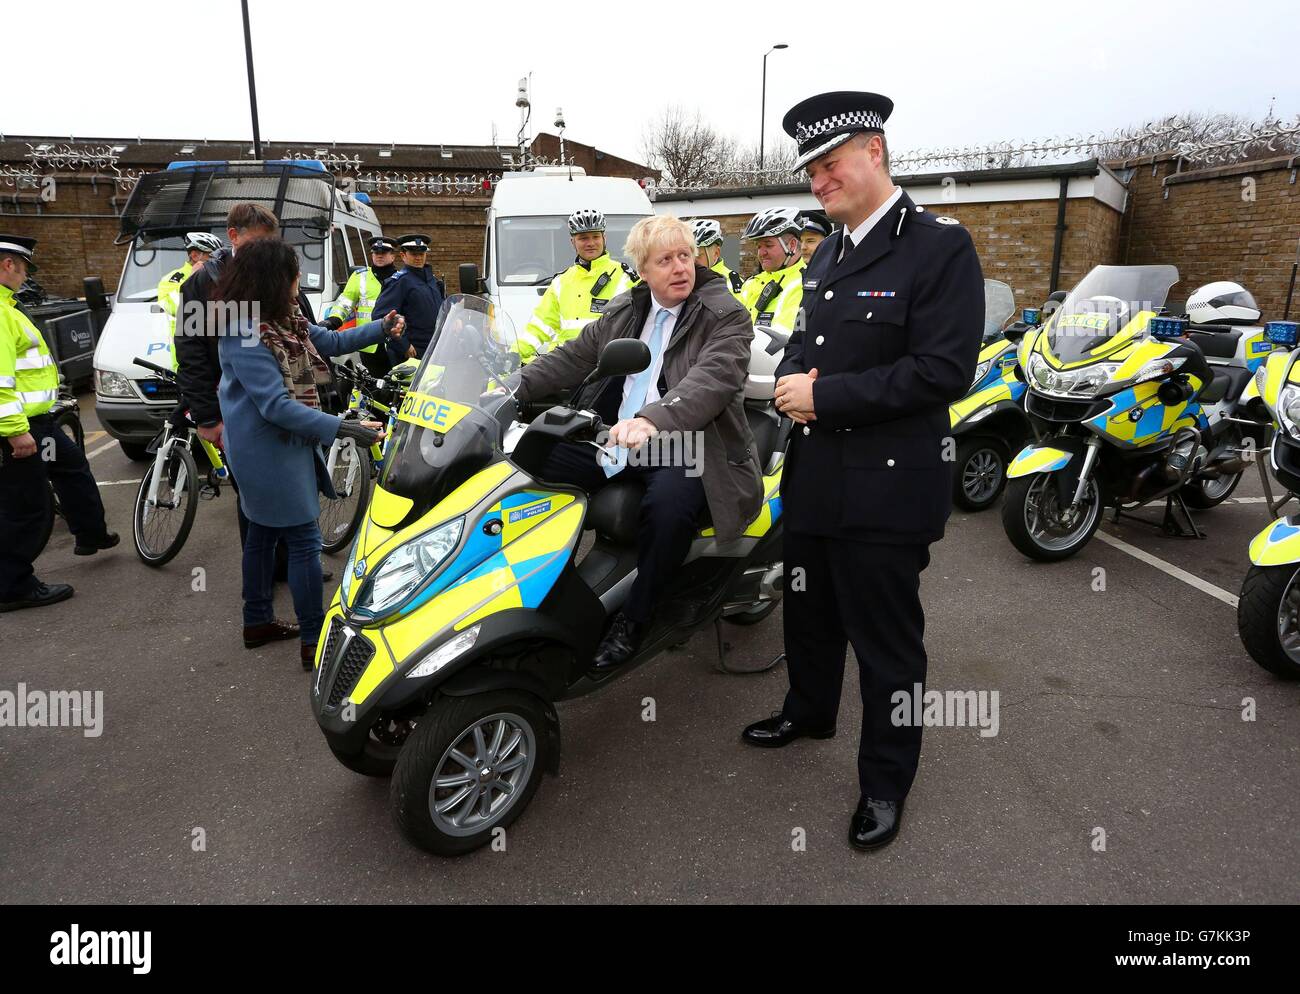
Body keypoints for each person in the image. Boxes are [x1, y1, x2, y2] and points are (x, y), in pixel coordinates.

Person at [741, 91, 984, 851]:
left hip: (887, 488)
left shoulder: (940, 247)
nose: (818, 181)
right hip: (816, 479)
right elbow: (802, 344)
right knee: (808, 615)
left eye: (830, 163)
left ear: (874, 152)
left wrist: (824, 394)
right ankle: (809, 711)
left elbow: (944, 371)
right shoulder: (830, 255)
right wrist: (787, 377)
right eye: (810, 170)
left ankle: (885, 782)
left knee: (886, 646)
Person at [513, 215, 761, 669]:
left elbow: (716, 378)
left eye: (685, 256)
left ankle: (637, 617)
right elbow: (573, 357)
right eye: (665, 260)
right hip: (616, 437)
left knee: (668, 509)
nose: (680, 267)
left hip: (687, 444)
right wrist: (510, 388)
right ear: (643, 270)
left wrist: (653, 418)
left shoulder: (725, 313)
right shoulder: (627, 308)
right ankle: (529, 592)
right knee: (527, 463)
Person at [214, 238, 405, 666]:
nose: (298, 284)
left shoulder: (282, 319)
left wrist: (379, 327)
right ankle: (314, 641)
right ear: (271, 280)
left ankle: (257, 621)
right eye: (293, 276)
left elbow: (328, 342)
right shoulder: (245, 333)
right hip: (266, 452)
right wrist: (343, 427)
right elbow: (276, 407)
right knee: (303, 540)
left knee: (261, 536)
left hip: (277, 445)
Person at [0, 234, 118, 612]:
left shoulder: (9, 307)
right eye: (23, 268)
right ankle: (13, 585)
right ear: (7, 265)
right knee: (28, 507)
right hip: (21, 427)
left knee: (71, 466)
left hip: (41, 421)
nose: (24, 275)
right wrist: (16, 431)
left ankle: (90, 534)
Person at [517, 208, 639, 363]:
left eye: (596, 236)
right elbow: (538, 326)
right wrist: (514, 353)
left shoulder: (625, 277)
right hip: (562, 364)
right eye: (583, 238)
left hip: (603, 367)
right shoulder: (561, 281)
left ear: (604, 238)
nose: (591, 243)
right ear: (572, 241)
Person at [320, 236, 405, 376]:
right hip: (369, 343)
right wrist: (333, 319)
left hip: (396, 342)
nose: (379, 256)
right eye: (376, 252)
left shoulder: (401, 279)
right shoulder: (360, 277)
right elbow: (345, 302)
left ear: (393, 256)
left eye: (384, 252)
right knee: (372, 388)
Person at [157, 231, 222, 369]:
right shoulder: (172, 279)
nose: (215, 260)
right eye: (211, 255)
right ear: (194, 255)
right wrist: (192, 278)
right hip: (188, 355)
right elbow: (178, 307)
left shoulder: (217, 276)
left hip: (215, 352)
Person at [738, 207, 806, 340]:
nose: (761, 253)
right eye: (758, 246)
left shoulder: (805, 284)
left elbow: (784, 341)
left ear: (792, 245)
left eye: (768, 245)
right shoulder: (751, 283)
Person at [373, 234, 444, 360]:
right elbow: (381, 317)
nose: (418, 258)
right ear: (403, 255)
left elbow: (441, 308)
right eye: (413, 254)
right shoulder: (399, 282)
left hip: (435, 348)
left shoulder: (433, 281)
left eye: (421, 254)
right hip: (412, 352)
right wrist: (403, 345)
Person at [689, 218, 744, 298]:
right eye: (687, 255)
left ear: (716, 253)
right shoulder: (682, 280)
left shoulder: (731, 284)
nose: (692, 261)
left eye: (697, 255)